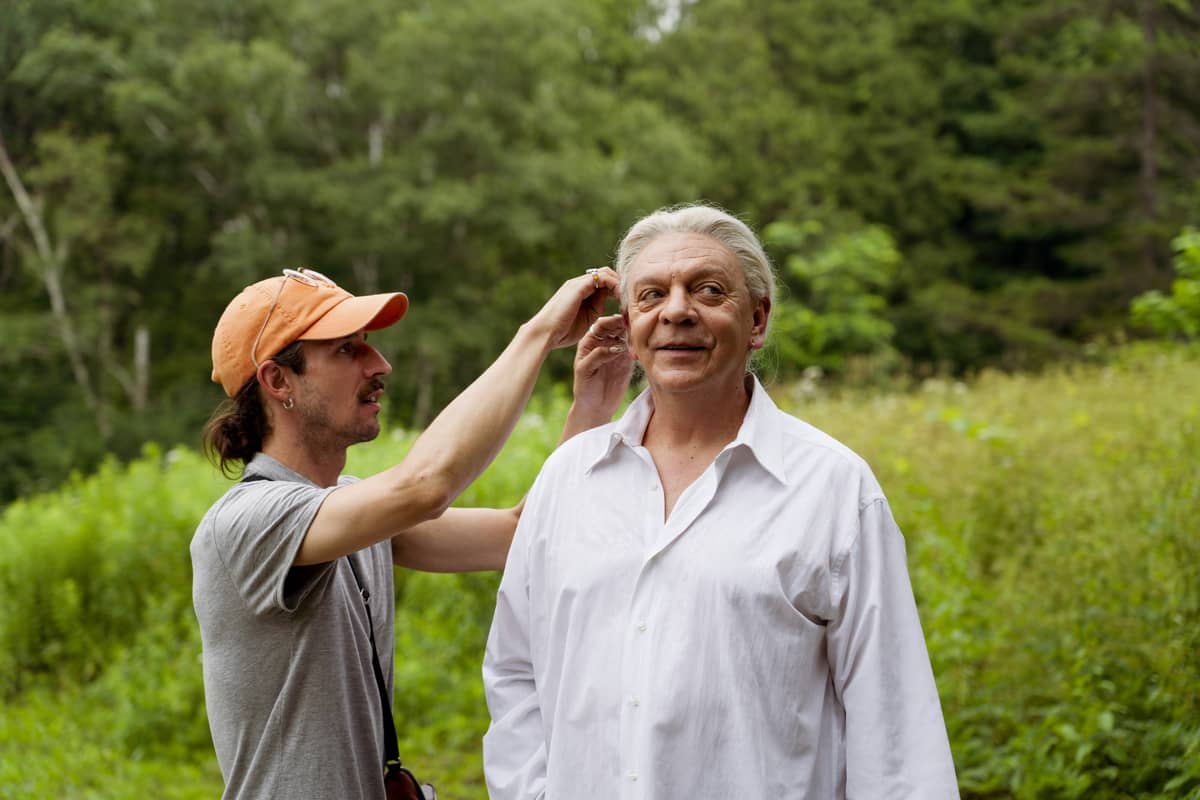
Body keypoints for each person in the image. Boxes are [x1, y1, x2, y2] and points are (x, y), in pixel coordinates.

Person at [482, 205, 960, 799]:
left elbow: (894, 724)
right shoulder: (566, 479)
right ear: (629, 325)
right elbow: (515, 671)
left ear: (757, 320)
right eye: (652, 295)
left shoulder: (833, 488)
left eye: (708, 290)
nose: (677, 311)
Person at [191, 264, 630, 800]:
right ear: (278, 381)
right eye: (348, 350)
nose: (381, 365)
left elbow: (521, 534)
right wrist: (536, 336)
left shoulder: (348, 514)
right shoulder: (247, 522)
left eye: (369, 345)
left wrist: (594, 402)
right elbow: (425, 484)